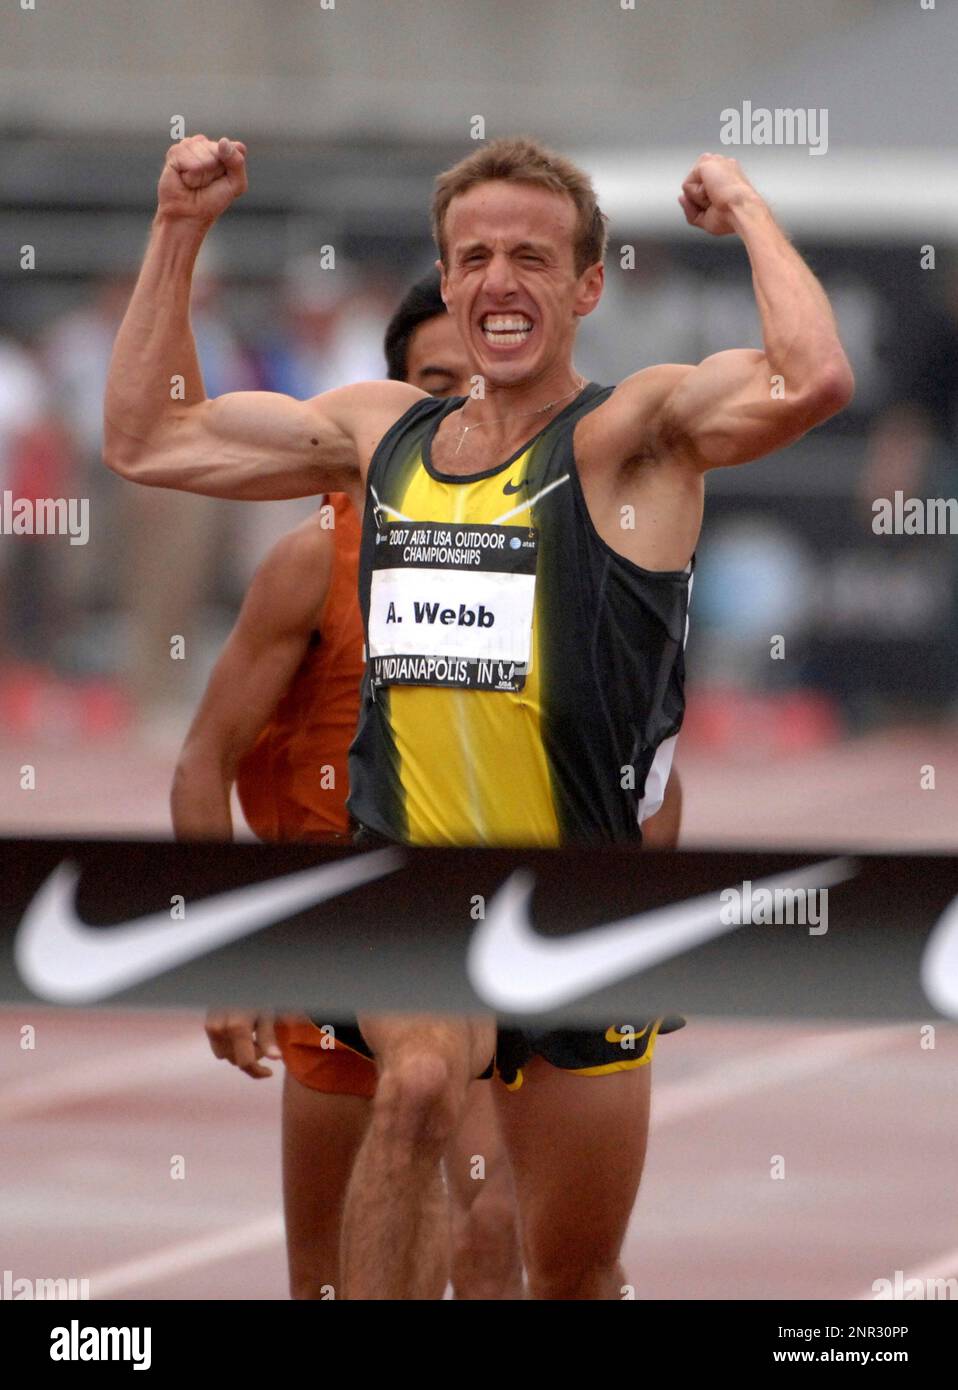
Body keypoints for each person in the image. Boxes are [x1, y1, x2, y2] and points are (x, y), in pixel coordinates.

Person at [105, 134, 853, 1299]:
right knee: (408, 1093)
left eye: (532, 257)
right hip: (414, 892)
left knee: (570, 1272)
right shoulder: (379, 432)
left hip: (581, 907)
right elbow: (150, 436)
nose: (499, 279)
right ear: (446, 282)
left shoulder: (630, 435)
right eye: (475, 257)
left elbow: (808, 379)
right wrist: (176, 227)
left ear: (587, 285)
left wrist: (749, 208)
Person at [173, 273, 522, 1299]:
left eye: (478, 381)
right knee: (325, 1276)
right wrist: (229, 956)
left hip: (474, 935)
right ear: (385, 407)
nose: (458, 404)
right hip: (333, 942)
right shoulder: (311, 559)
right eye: (430, 383)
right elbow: (202, 760)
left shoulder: (540, 542)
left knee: (493, 1225)